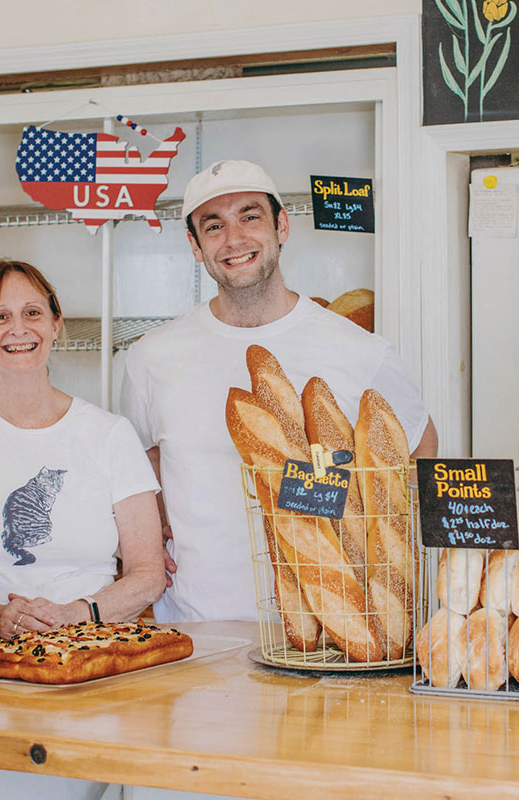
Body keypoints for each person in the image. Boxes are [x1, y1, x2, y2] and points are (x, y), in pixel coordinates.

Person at [120, 160, 437, 624]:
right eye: (214, 226)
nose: (234, 239)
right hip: (195, 625)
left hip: (333, 629)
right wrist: (148, 542)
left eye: (250, 216)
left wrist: (380, 555)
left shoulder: (359, 351)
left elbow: (417, 448)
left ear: (281, 225)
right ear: (195, 246)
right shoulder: (152, 357)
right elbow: (144, 464)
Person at [0, 259, 166, 800]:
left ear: (57, 324)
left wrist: (75, 615)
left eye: (33, 312)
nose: (19, 329)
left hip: (91, 671)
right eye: (0, 316)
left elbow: (148, 574)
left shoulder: (108, 436)